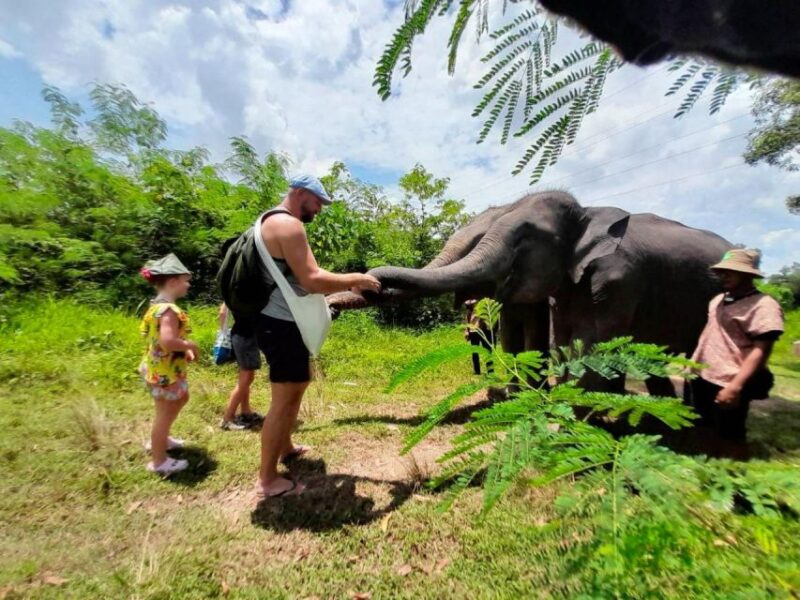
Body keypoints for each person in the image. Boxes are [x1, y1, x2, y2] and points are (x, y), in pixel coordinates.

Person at [255, 174, 381, 498]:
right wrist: (356, 279)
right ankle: (267, 479)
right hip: (280, 323)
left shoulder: (270, 222)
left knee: (298, 385)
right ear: (299, 193)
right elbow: (311, 281)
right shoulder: (289, 225)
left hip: (281, 321)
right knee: (283, 398)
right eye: (317, 202)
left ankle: (286, 448)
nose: (320, 209)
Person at [689, 249, 784, 459]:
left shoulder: (764, 306)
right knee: (704, 424)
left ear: (748, 274)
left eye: (731, 272)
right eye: (722, 272)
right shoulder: (718, 300)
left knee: (731, 432)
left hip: (731, 378)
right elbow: (712, 335)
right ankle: (709, 469)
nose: (724, 276)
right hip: (704, 375)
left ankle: (735, 475)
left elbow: (761, 350)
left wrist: (735, 386)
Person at [138, 253, 200, 476]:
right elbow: (167, 340)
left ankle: (162, 440)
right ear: (173, 282)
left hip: (157, 367)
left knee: (169, 405)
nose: (188, 284)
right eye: (185, 280)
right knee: (167, 411)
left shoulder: (155, 307)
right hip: (165, 372)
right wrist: (190, 345)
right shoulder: (169, 311)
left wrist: (182, 352)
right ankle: (159, 461)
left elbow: (157, 341)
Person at [218, 303, 264, 430]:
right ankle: (227, 419)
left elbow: (222, 312)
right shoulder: (246, 293)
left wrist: (224, 333)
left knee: (246, 376)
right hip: (246, 337)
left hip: (238, 333)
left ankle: (245, 412)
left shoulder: (233, 291)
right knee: (246, 378)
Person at [464, 299, 495, 375]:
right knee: (475, 353)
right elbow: (466, 322)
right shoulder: (469, 312)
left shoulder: (484, 308)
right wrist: (466, 332)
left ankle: (490, 371)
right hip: (473, 332)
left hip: (484, 332)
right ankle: (477, 371)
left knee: (488, 352)